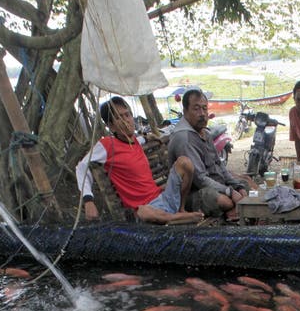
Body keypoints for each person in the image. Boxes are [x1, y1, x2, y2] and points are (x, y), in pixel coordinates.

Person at [75, 96, 203, 224]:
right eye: (119, 118)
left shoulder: (134, 140)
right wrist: (88, 200)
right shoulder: (107, 145)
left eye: (127, 115)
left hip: (163, 197)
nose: (126, 121)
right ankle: (180, 218)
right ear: (111, 126)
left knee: (184, 163)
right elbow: (81, 167)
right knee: (143, 212)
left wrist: (147, 137)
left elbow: (139, 140)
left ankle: (181, 210)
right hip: (148, 209)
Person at [167, 89, 255, 222]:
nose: (202, 114)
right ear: (185, 112)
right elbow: (200, 180)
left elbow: (219, 165)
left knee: (246, 186)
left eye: (204, 108)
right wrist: (229, 192)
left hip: (214, 184)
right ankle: (232, 214)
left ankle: (238, 213)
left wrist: (236, 187)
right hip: (191, 194)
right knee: (225, 201)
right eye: (196, 109)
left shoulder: (205, 133)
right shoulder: (184, 138)